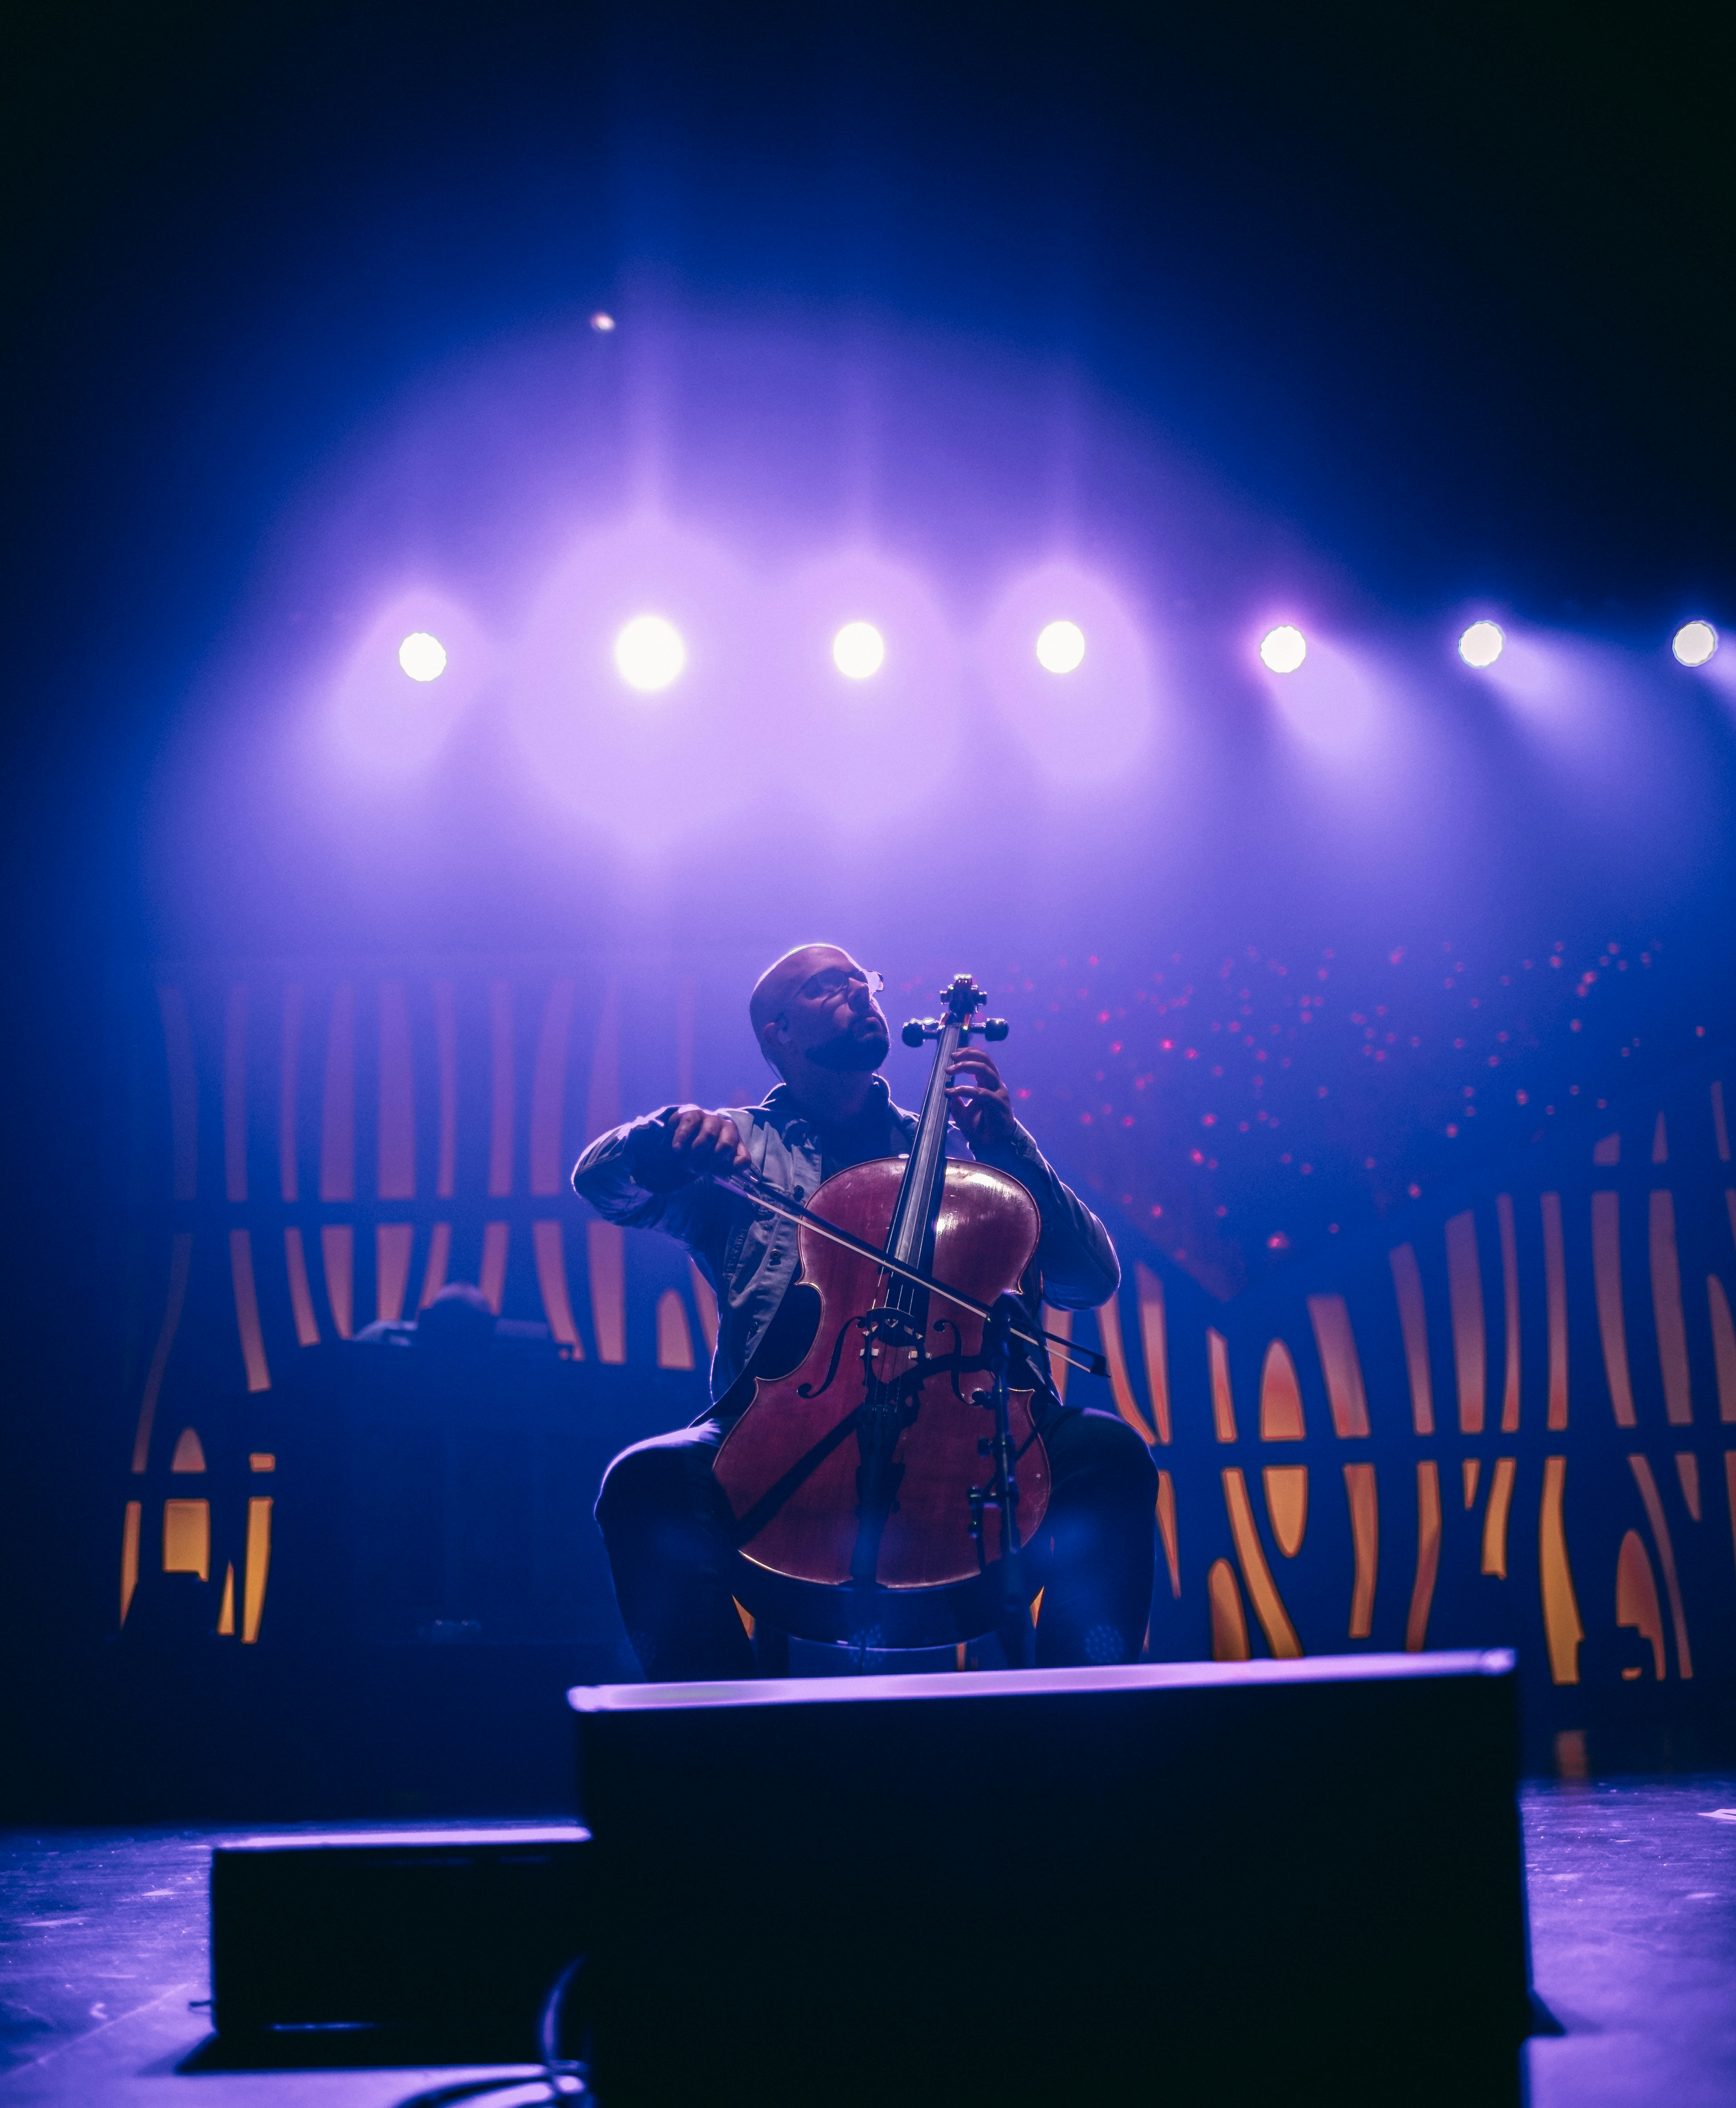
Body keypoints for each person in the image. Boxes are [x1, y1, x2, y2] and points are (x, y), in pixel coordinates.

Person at [573, 943, 1156, 1679]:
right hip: (786, 1425)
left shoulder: (957, 1153)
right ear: (778, 1033)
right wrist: (661, 1141)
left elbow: (1088, 1279)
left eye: (863, 980)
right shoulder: (734, 1151)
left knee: (1109, 1457)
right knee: (645, 1481)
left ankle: (1091, 1721)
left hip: (967, 1416)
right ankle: (714, 1744)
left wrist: (1013, 1153)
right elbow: (602, 1186)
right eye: (826, 986)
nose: (858, 990)